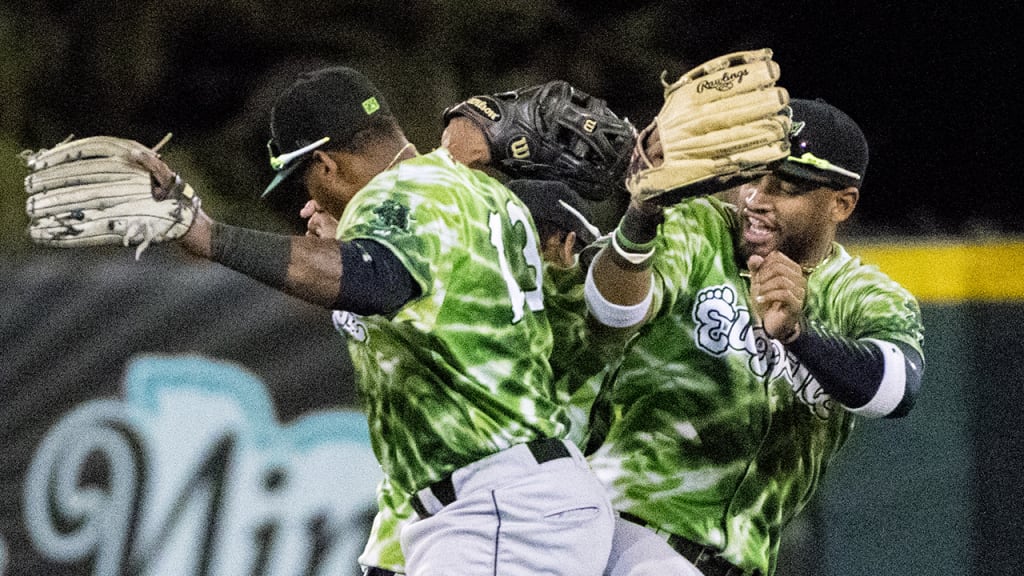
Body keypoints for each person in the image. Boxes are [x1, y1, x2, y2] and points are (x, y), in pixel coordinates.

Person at [131, 66, 619, 575]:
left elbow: (375, 279)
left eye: (303, 180)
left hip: (498, 504)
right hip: (511, 499)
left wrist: (209, 236)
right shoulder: (479, 191)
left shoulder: (395, 194)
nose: (305, 203)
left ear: (325, 165)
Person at [289, 81, 638, 576]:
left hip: (511, 506)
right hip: (447, 519)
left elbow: (613, 301)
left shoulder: (552, 300)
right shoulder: (446, 242)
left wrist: (645, 215)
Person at [583, 98, 926, 576]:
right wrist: (640, 218)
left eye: (785, 187)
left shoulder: (860, 293)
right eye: (751, 175)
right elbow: (613, 311)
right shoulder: (700, 227)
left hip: (737, 562)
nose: (756, 198)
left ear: (842, 203)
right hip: (619, 530)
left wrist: (800, 335)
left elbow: (896, 392)